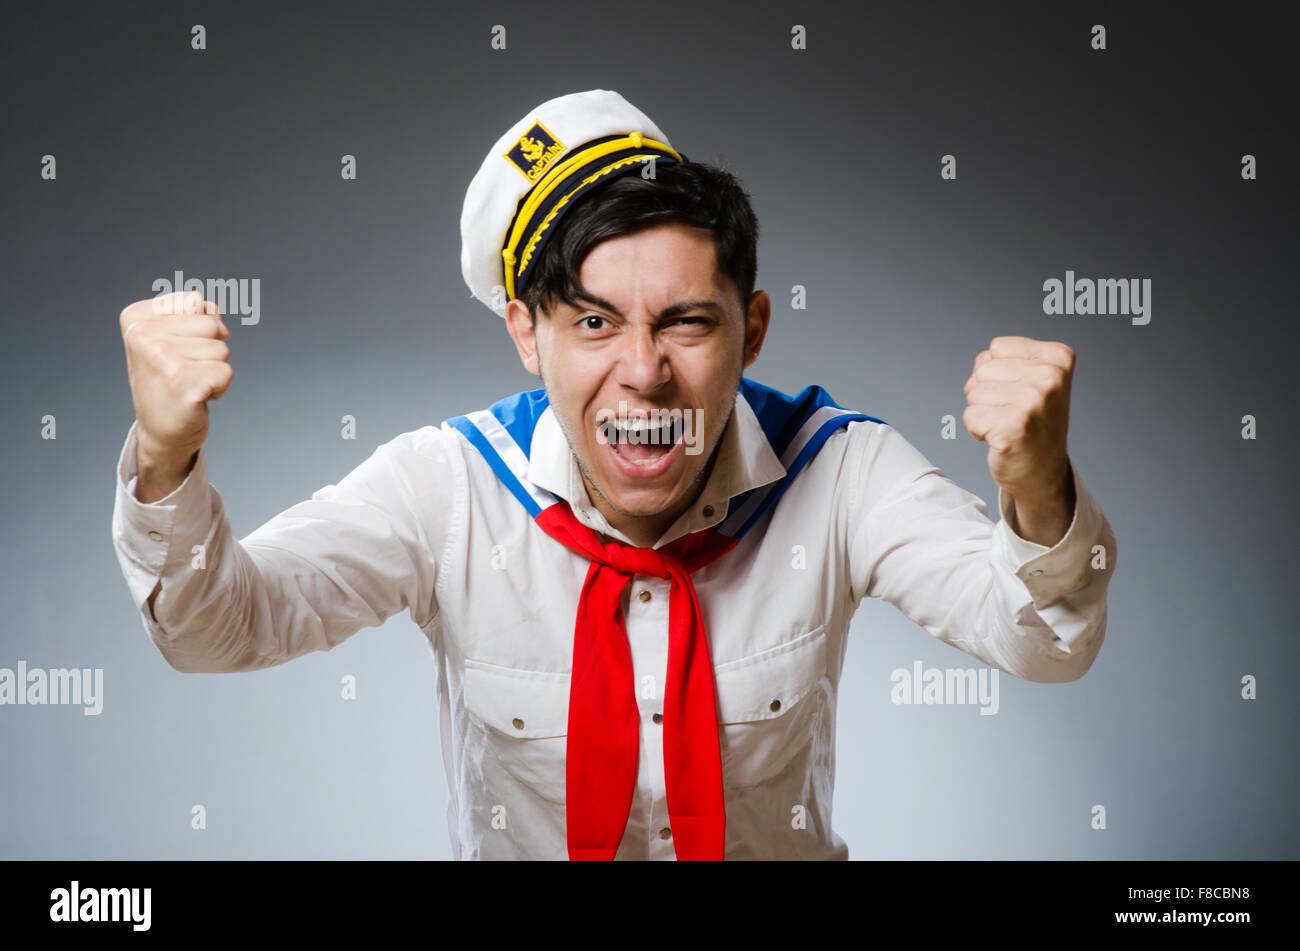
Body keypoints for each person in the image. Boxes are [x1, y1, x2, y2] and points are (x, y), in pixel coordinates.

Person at [113, 88, 1117, 860]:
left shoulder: (840, 471)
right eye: (593, 322)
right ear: (526, 334)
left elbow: (1045, 643)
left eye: (685, 320)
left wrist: (1036, 487)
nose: (642, 370)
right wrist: (165, 458)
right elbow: (216, 630)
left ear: (751, 329)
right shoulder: (448, 488)